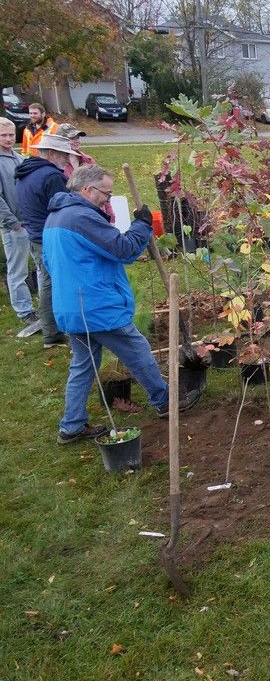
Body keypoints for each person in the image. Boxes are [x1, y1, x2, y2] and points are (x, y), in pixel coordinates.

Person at [43, 165, 200, 444]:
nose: (108, 198)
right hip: (96, 307)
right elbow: (124, 249)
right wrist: (142, 224)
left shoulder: (56, 218)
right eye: (106, 193)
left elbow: (49, 264)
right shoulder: (81, 217)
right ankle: (165, 401)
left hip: (70, 307)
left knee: (83, 364)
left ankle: (72, 425)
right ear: (87, 189)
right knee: (136, 350)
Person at [15, 132, 73, 348]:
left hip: (35, 234)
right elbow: (66, 209)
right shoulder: (52, 177)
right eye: (63, 154)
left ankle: (52, 329)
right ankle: (53, 332)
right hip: (49, 238)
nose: (67, 159)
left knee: (46, 280)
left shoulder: (26, 171)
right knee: (52, 283)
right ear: (50, 153)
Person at [0, 118, 39, 334]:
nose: (7, 139)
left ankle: (40, 307)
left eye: (10, 135)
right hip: (13, 226)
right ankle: (24, 310)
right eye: (3, 135)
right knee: (18, 270)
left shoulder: (18, 157)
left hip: (29, 221)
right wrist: (12, 222)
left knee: (39, 264)